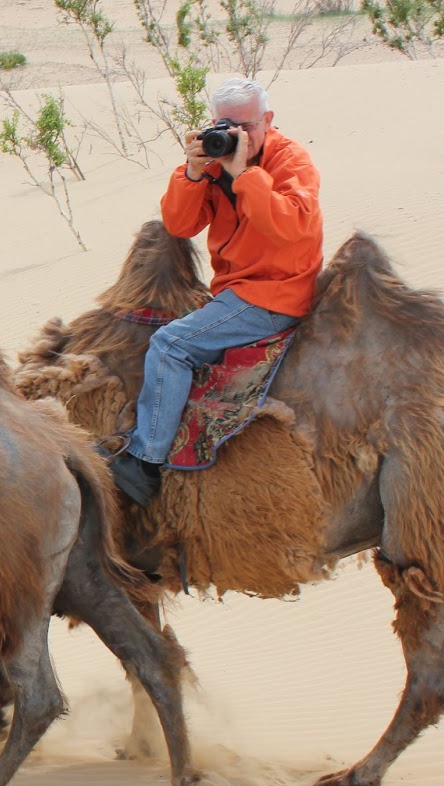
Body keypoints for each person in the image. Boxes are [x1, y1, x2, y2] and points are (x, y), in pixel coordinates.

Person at [109, 76, 323, 506]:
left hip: (273, 294)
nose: (237, 135)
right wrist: (192, 173)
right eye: (227, 124)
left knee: (170, 345)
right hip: (236, 291)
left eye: (247, 126)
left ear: (268, 119)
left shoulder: (291, 162)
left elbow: (291, 227)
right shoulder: (213, 158)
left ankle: (145, 460)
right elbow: (180, 226)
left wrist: (244, 175)